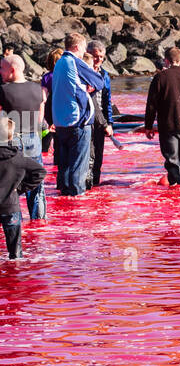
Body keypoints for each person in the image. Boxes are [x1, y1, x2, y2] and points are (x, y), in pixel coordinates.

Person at [144, 45, 180, 185]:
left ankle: (177, 188)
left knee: (172, 159)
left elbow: (151, 105)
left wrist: (148, 126)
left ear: (166, 60)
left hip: (168, 124)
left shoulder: (159, 78)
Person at [0, 54, 47, 225]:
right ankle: (39, 222)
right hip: (33, 138)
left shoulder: (3, 90)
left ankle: (14, 222)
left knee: (11, 182)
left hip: (12, 139)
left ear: (12, 70)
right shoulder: (37, 89)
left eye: (2, 69)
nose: (0, 72)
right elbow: (41, 119)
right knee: (36, 184)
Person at [51, 32, 100, 196]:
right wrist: (88, 85)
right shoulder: (75, 61)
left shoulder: (59, 63)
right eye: (84, 48)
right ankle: (77, 205)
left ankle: (64, 205)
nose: (84, 52)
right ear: (77, 47)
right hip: (77, 121)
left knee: (64, 167)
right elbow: (98, 81)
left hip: (60, 121)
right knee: (79, 168)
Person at [0, 114, 45, 260]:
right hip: (10, 206)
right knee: (16, 255)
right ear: (11, 135)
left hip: (9, 204)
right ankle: (15, 279)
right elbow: (40, 172)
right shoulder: (17, 157)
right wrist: (20, 189)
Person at [85, 40, 112, 188]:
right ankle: (86, 184)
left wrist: (110, 123)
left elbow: (107, 101)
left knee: (98, 157)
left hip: (101, 120)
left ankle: (95, 184)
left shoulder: (104, 74)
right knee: (89, 155)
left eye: (101, 57)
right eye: (96, 56)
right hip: (86, 119)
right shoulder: (83, 72)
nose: (99, 60)